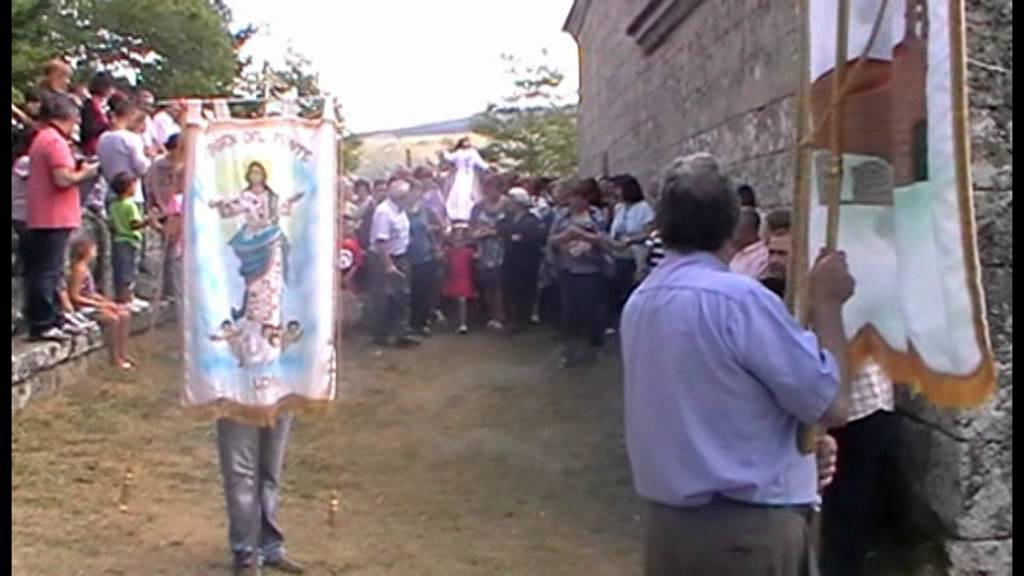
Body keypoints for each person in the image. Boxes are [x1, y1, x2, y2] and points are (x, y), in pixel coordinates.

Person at [620, 152, 855, 576]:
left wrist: (796, 453)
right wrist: (828, 306)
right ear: (733, 226)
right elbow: (832, 404)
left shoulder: (641, 301)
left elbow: (718, 405)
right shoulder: (739, 300)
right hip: (745, 534)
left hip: (671, 531)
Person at [25, 93, 100, 341]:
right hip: (52, 216)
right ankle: (43, 322)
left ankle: (55, 317)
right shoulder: (54, 142)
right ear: (66, 116)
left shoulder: (42, 138)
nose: (77, 123)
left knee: (51, 271)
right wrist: (85, 172)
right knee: (47, 272)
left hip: (47, 215)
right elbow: (62, 179)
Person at [216, 412, 304, 576]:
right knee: (240, 473)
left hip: (278, 398)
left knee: (270, 472)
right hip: (236, 400)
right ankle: (246, 551)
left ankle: (270, 546)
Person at [548, 178, 609, 367]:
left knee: (591, 310)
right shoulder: (562, 216)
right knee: (569, 311)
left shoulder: (596, 215)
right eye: (571, 197)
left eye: (577, 197)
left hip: (590, 269)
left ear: (585, 198)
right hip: (567, 268)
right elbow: (551, 240)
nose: (573, 201)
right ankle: (569, 351)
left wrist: (584, 235)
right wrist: (565, 237)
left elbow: (604, 240)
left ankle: (595, 345)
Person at [67, 236, 135, 369]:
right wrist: (100, 305)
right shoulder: (79, 270)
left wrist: (107, 301)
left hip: (92, 304)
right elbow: (75, 296)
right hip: (83, 308)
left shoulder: (85, 269)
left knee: (124, 314)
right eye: (93, 249)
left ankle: (122, 353)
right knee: (113, 319)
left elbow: (90, 292)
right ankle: (114, 357)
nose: (95, 252)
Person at [367, 178, 418, 347]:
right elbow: (380, 241)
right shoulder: (384, 212)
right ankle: (381, 335)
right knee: (384, 297)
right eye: (409, 194)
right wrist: (389, 265)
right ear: (401, 197)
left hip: (400, 256)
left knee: (403, 295)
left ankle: (401, 333)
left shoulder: (400, 210)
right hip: (384, 259)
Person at [607, 174, 655, 328]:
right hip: (617, 252)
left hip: (634, 254)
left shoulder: (644, 208)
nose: (616, 192)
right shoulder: (619, 208)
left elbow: (648, 232)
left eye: (618, 189)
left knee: (630, 287)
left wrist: (630, 240)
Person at [499, 187, 546, 333]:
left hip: (527, 262)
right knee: (508, 290)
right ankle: (511, 319)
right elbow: (503, 231)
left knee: (525, 291)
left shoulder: (532, 220)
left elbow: (533, 237)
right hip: (510, 260)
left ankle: (522, 320)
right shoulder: (507, 219)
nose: (508, 203)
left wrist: (516, 237)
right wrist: (514, 236)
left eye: (511, 200)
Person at [146, 133, 186, 300]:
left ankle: (177, 289)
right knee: (169, 252)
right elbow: (150, 188)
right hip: (165, 211)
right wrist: (152, 210)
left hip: (182, 210)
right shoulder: (157, 166)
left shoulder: (187, 165)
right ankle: (169, 290)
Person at [109, 172, 159, 305]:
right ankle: (128, 298)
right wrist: (148, 221)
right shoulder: (130, 205)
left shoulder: (113, 205)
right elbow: (134, 225)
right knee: (130, 270)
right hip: (130, 240)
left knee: (121, 269)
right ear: (127, 187)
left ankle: (122, 296)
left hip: (118, 240)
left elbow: (112, 224)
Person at [469, 176, 506, 331]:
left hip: (502, 249)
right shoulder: (478, 207)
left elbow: (512, 226)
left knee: (500, 284)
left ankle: (500, 316)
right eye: (489, 188)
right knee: (486, 284)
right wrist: (477, 234)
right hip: (483, 250)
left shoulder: (507, 205)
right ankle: (490, 315)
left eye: (495, 188)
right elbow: (471, 228)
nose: (492, 192)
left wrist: (494, 232)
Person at [406, 180, 442, 336]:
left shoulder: (425, 210)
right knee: (409, 291)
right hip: (406, 256)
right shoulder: (401, 211)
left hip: (425, 254)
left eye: (418, 191)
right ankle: (408, 323)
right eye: (413, 191)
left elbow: (440, 227)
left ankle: (422, 322)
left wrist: (436, 245)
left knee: (424, 291)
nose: (416, 194)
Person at [440, 137, 488, 222]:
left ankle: (468, 211)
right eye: (465, 142)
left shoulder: (473, 152)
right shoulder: (459, 152)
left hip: (469, 175)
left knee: (469, 192)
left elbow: (480, 162)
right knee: (458, 192)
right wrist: (444, 152)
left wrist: (487, 167)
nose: (466, 143)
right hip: (460, 174)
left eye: (468, 141)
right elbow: (450, 158)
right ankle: (456, 212)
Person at [442, 223, 476, 334]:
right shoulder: (449, 251)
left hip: (464, 278)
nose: (458, 237)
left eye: (461, 234)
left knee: (462, 300)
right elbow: (442, 258)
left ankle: (463, 323)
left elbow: (477, 256)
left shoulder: (468, 251)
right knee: (456, 300)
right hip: (453, 278)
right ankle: (459, 322)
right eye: (456, 233)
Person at [80, 72, 115, 156]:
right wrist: (107, 125)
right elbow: (87, 130)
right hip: (92, 148)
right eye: (110, 87)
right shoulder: (89, 105)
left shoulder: (109, 105)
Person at [729, 207, 769, 279]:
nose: (731, 235)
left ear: (750, 231)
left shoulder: (761, 256)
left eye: (736, 231)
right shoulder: (732, 251)